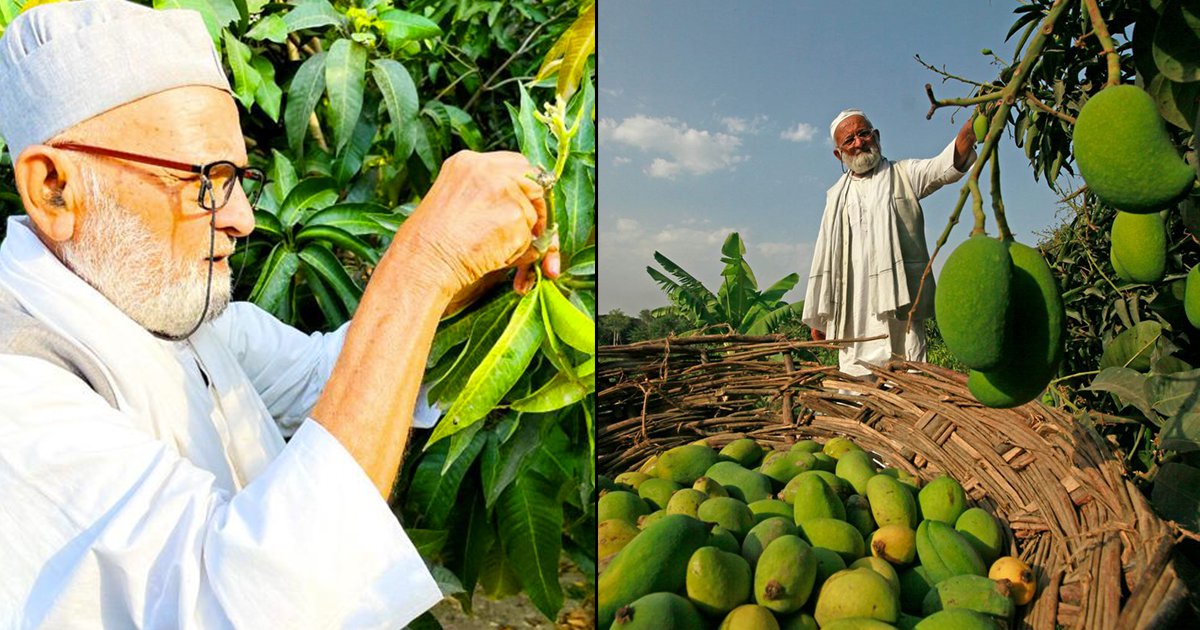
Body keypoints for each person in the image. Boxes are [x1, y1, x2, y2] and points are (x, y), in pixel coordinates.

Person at [0, 0, 558, 627]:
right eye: (205, 179)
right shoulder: (18, 391)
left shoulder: (170, 314)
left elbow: (333, 375)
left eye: (241, 177)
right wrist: (421, 265)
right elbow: (245, 608)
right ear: (54, 188)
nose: (241, 218)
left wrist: (470, 285)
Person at [802, 109, 976, 378]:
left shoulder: (904, 175)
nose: (859, 143)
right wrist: (822, 313)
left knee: (908, 380)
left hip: (898, 307)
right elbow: (825, 256)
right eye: (849, 140)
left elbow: (946, 166)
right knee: (855, 391)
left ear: (876, 136)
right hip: (853, 313)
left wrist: (973, 125)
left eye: (864, 134)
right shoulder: (835, 196)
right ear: (839, 154)